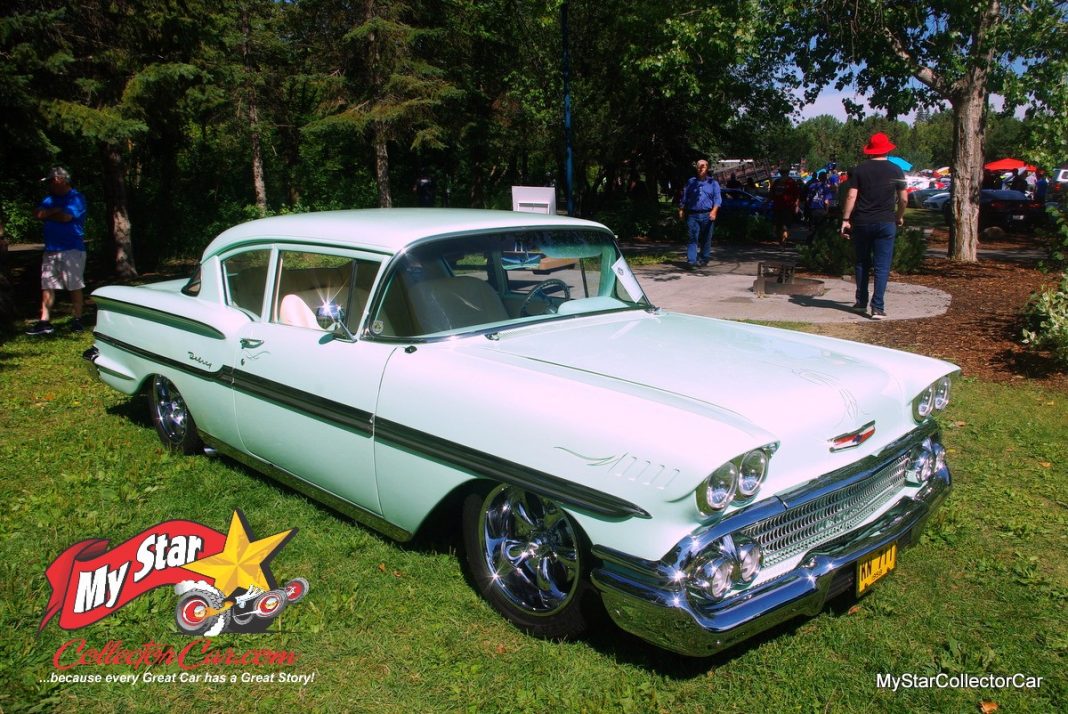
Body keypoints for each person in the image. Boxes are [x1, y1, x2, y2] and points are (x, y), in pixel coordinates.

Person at [839, 133, 907, 320]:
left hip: (862, 221)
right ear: (887, 149)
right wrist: (899, 216)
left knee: (862, 262)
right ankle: (877, 307)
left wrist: (846, 219)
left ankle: (861, 302)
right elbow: (903, 198)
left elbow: (851, 196)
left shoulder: (860, 170)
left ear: (870, 150)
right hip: (886, 221)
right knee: (882, 266)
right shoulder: (896, 170)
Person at [27, 166, 87, 335]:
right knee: (47, 284)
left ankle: (77, 319)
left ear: (60, 180)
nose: (50, 185)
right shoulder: (50, 199)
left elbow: (66, 217)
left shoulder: (76, 198)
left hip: (72, 249)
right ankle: (44, 321)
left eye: (52, 181)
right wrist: (53, 211)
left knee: (74, 285)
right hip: (51, 248)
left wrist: (49, 214)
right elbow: (37, 213)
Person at [677, 159, 721, 268]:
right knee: (692, 238)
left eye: (703, 166)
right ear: (696, 168)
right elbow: (684, 197)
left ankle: (704, 259)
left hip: (707, 214)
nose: (701, 168)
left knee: (706, 238)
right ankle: (692, 261)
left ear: (707, 168)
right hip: (693, 215)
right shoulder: (691, 182)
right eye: (699, 166)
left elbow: (718, 199)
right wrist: (681, 209)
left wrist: (714, 211)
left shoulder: (713, 183)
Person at [768, 167, 799, 244]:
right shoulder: (782, 182)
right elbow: (797, 196)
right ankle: (782, 242)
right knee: (782, 227)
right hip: (781, 207)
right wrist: (796, 206)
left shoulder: (789, 182)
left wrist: (796, 205)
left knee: (782, 226)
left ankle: (782, 242)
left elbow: (797, 195)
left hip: (784, 207)